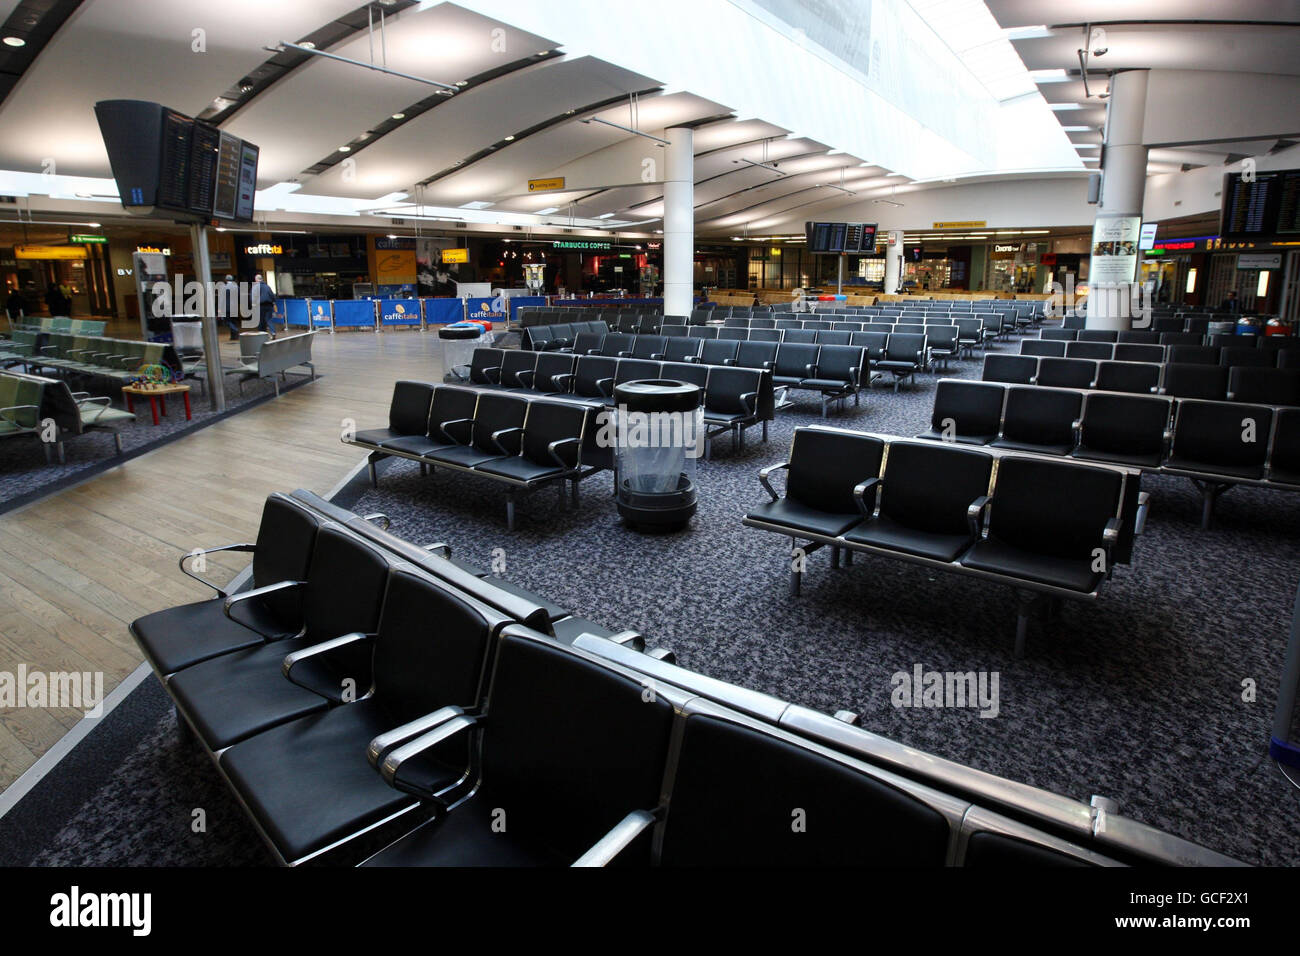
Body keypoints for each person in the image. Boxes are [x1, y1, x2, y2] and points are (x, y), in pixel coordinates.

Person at [253, 273, 276, 337]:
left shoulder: (255, 287)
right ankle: (273, 332)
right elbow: (272, 295)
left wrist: (253, 304)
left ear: (256, 280)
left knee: (261, 320)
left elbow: (253, 297)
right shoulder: (267, 287)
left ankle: (262, 334)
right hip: (269, 305)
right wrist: (274, 302)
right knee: (269, 319)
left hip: (260, 306)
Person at [218, 274, 240, 340]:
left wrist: (219, 308)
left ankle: (235, 330)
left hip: (226, 307)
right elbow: (239, 297)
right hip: (234, 307)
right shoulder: (236, 287)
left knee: (227, 321)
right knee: (233, 321)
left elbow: (221, 298)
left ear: (226, 280)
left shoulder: (223, 287)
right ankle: (233, 337)